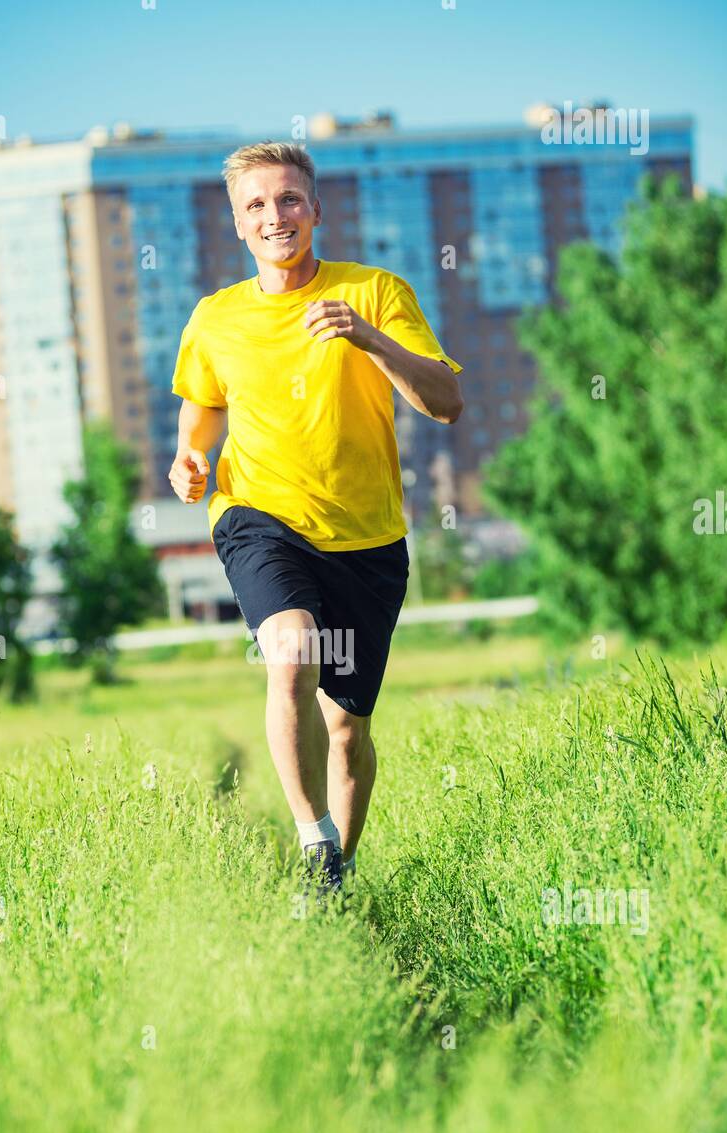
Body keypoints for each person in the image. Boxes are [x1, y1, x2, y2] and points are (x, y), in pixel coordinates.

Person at [169, 141, 463, 898]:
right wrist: (188, 458)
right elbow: (201, 405)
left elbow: (445, 402)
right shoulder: (215, 318)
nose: (275, 216)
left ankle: (338, 874)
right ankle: (311, 835)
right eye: (257, 206)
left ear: (316, 210)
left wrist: (368, 338)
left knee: (344, 729)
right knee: (291, 655)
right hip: (258, 513)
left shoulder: (372, 292)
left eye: (289, 199)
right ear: (237, 225)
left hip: (366, 536)